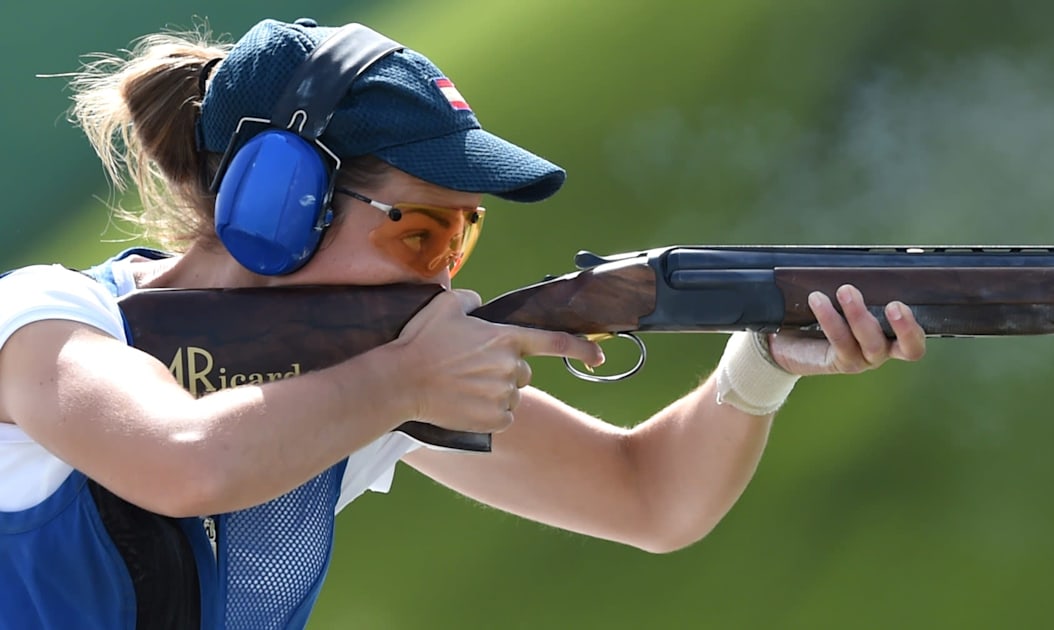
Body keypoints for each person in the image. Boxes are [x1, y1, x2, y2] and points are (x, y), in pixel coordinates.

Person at [0, 17, 926, 630]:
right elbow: (185, 460)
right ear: (282, 201)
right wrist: (404, 382)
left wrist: (760, 365)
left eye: (461, 237)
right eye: (419, 230)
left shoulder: (359, 372)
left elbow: (650, 497)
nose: (441, 276)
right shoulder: (45, 319)